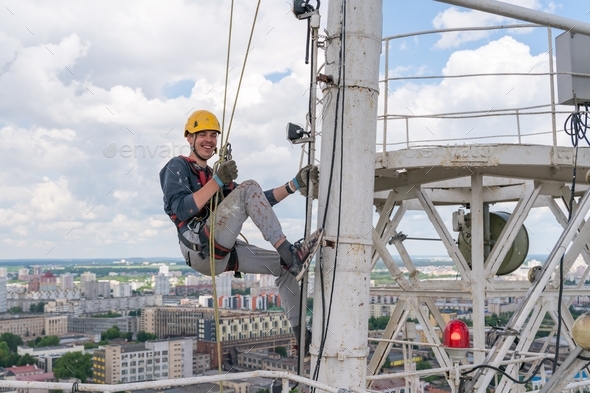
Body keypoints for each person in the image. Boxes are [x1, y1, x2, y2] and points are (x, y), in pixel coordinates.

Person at [159, 109, 321, 352]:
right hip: (200, 245)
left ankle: (302, 338)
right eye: (201, 134)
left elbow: (257, 200)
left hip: (222, 252)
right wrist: (218, 182)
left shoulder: (214, 175)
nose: (209, 140)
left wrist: (293, 185)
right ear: (189, 138)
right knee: (248, 187)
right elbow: (182, 209)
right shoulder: (177, 167)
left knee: (285, 267)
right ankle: (290, 252)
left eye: (213, 135)